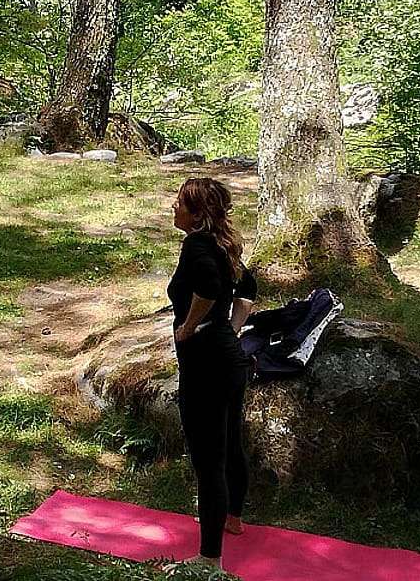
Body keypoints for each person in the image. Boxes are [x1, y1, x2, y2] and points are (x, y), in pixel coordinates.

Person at [167, 177, 256, 570]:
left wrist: (188, 327)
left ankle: (209, 560)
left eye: (181, 203)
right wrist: (232, 326)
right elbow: (246, 285)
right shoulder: (224, 244)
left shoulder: (198, 246)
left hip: (206, 363)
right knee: (229, 443)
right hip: (229, 357)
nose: (174, 207)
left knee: (208, 461)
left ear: (198, 215)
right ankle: (233, 519)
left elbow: (207, 285)